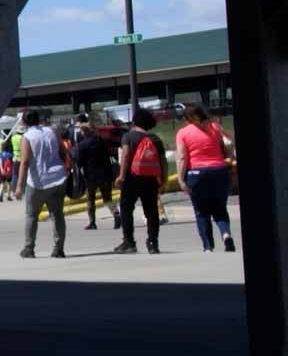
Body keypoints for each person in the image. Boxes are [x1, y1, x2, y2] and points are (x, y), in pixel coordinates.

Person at [174, 104, 236, 252]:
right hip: (220, 171)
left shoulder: (183, 133)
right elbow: (229, 143)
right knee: (220, 208)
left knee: (201, 211)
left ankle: (208, 246)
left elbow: (182, 157)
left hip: (197, 174)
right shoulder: (215, 127)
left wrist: (181, 179)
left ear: (187, 118)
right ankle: (226, 235)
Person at [14, 109, 70, 259]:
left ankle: (29, 248)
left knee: (32, 215)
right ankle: (59, 249)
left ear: (24, 122)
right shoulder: (52, 131)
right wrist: (66, 170)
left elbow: (25, 162)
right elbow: (64, 152)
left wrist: (19, 186)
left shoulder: (27, 137)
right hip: (58, 178)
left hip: (38, 181)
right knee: (57, 214)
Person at [113, 106, 168, 254]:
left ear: (135, 121)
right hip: (150, 179)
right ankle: (153, 243)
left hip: (132, 178)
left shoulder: (128, 136)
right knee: (151, 211)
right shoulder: (155, 139)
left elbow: (125, 156)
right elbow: (163, 162)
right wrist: (164, 180)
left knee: (126, 209)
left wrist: (122, 176)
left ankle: (129, 242)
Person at [72, 114, 118, 231]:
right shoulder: (102, 141)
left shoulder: (82, 145)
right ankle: (116, 215)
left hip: (91, 176)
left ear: (84, 132)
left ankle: (92, 222)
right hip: (105, 174)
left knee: (90, 199)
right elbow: (111, 153)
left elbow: (78, 160)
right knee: (107, 198)